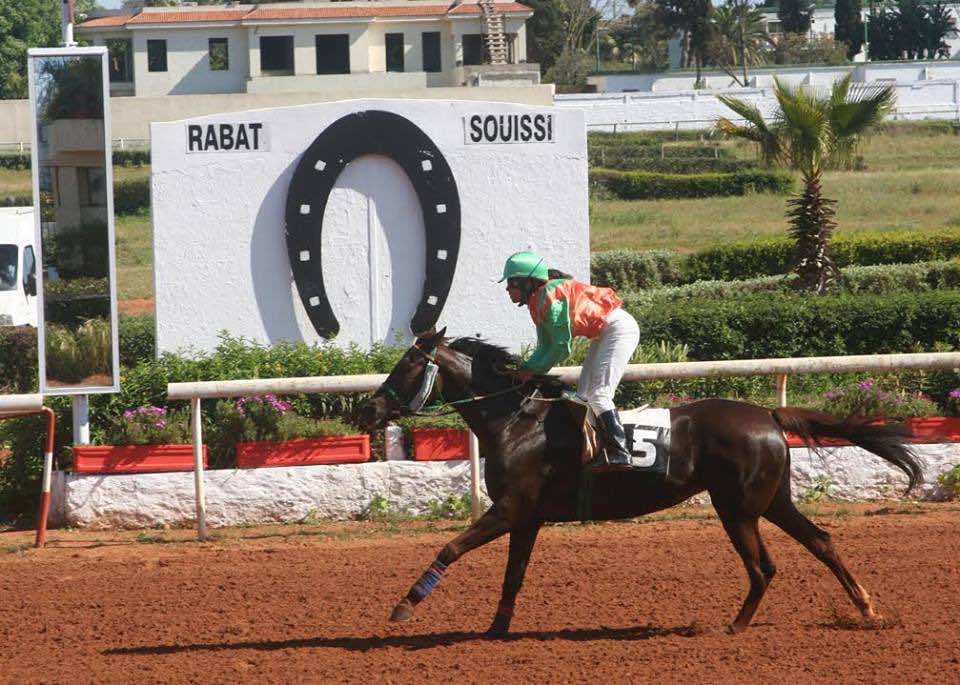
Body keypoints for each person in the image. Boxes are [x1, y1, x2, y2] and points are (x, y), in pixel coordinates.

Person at [499, 250, 640, 465]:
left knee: (599, 395)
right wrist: (526, 369)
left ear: (527, 282)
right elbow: (544, 347)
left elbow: (560, 348)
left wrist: (530, 371)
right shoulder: (538, 301)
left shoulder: (549, 298)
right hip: (603, 333)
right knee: (582, 396)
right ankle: (593, 450)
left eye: (512, 282)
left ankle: (621, 453)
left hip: (618, 330)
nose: (507, 289)